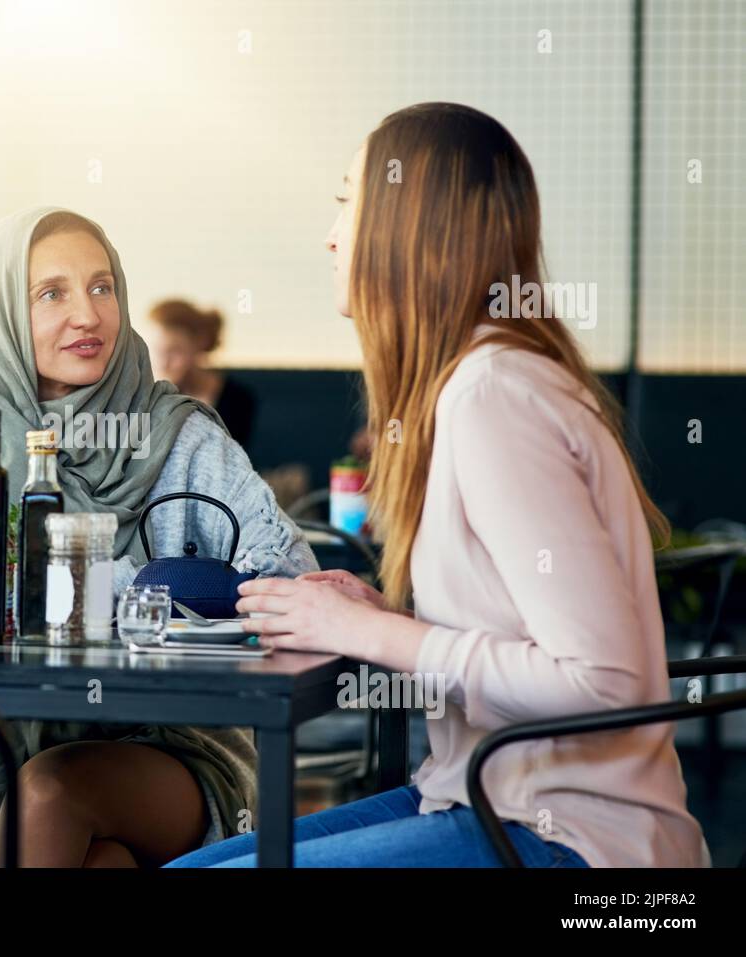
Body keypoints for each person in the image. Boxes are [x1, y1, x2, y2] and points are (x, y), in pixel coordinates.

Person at [168, 103, 709, 868]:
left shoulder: (493, 395)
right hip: (484, 799)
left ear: (410, 219)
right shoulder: (480, 382)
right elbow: (520, 635)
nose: (331, 235)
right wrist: (384, 617)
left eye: (346, 202)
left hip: (571, 842)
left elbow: (605, 681)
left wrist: (373, 634)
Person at [0, 207, 316, 867]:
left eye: (102, 286)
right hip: (1, 753)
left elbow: (289, 568)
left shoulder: (178, 432)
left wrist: (151, 594)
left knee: (48, 798)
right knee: (84, 851)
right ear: (0, 314)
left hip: (178, 750)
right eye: (52, 293)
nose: (89, 314)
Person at [142, 299, 257, 449]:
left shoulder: (237, 401)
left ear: (199, 344)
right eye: (156, 351)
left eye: (174, 351)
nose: (163, 363)